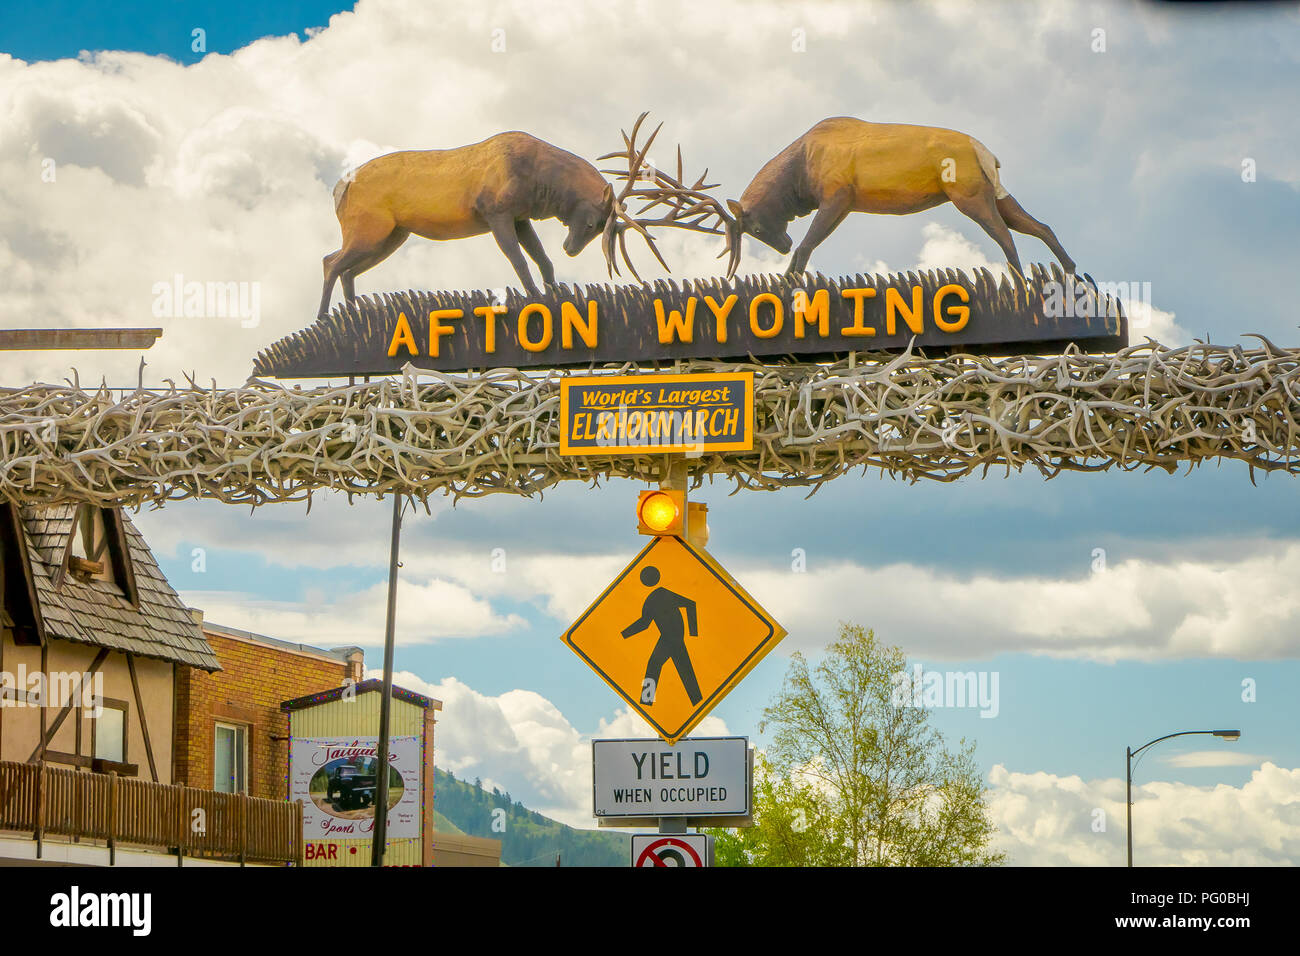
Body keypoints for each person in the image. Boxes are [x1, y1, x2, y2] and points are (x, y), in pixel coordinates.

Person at [621, 565, 702, 705]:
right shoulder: (655, 597)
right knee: (679, 668)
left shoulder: (660, 595)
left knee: (660, 665)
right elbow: (645, 623)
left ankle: (647, 701)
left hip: (672, 638)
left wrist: (693, 632)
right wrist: (624, 634)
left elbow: (690, 604)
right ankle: (696, 701)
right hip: (669, 637)